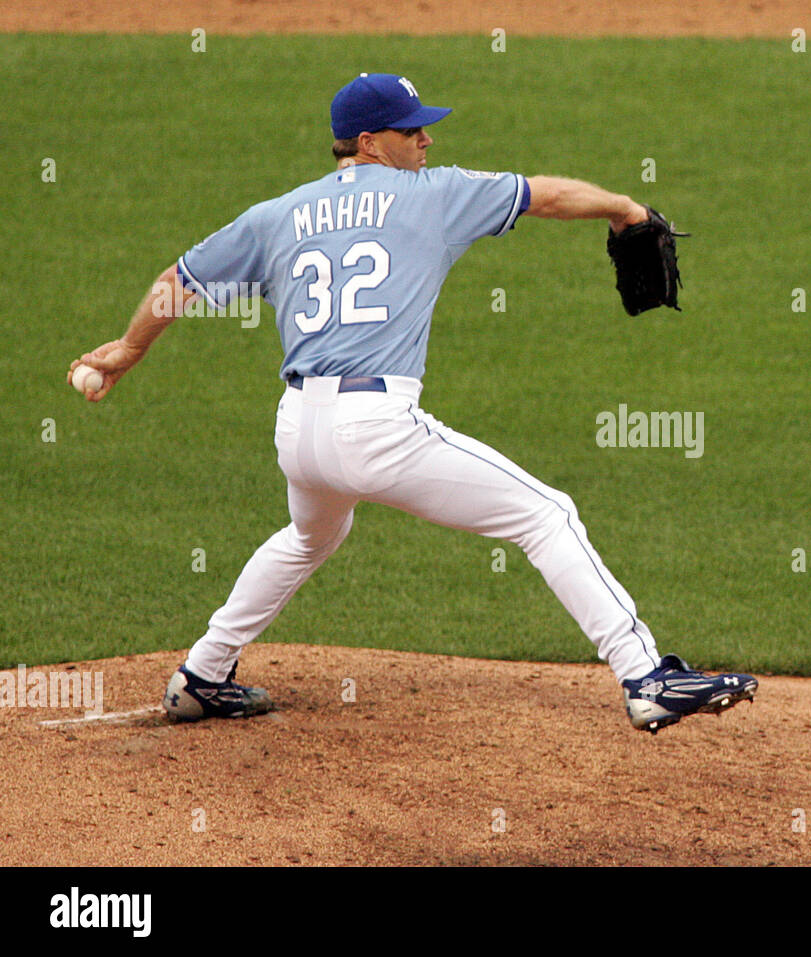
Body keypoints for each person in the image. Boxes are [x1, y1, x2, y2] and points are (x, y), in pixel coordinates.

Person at [69, 73, 757, 734]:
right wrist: (623, 208)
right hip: (374, 430)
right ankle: (646, 678)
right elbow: (547, 195)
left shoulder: (276, 215)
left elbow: (177, 282)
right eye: (411, 131)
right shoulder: (432, 195)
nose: (426, 142)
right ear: (369, 141)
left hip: (298, 432)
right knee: (547, 513)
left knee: (313, 535)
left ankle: (202, 674)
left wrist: (128, 352)